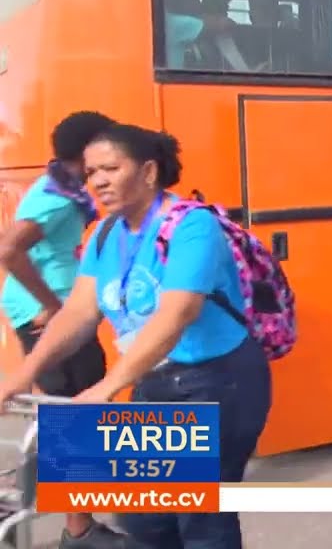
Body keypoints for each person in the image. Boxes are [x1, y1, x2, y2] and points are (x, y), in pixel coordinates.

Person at [0, 124, 272, 548]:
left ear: (147, 172)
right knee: (142, 515)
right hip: (155, 382)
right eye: (91, 172)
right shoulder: (107, 234)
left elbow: (176, 314)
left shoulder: (191, 226)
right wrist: (24, 372)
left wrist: (108, 387)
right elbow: (78, 312)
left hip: (217, 382)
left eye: (111, 168)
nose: (99, 180)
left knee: (198, 516)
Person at [0, 111, 122, 549]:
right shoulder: (55, 196)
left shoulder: (63, 187)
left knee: (69, 414)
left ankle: (81, 524)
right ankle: (79, 531)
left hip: (55, 312)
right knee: (72, 415)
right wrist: (54, 305)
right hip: (49, 316)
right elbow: (9, 249)